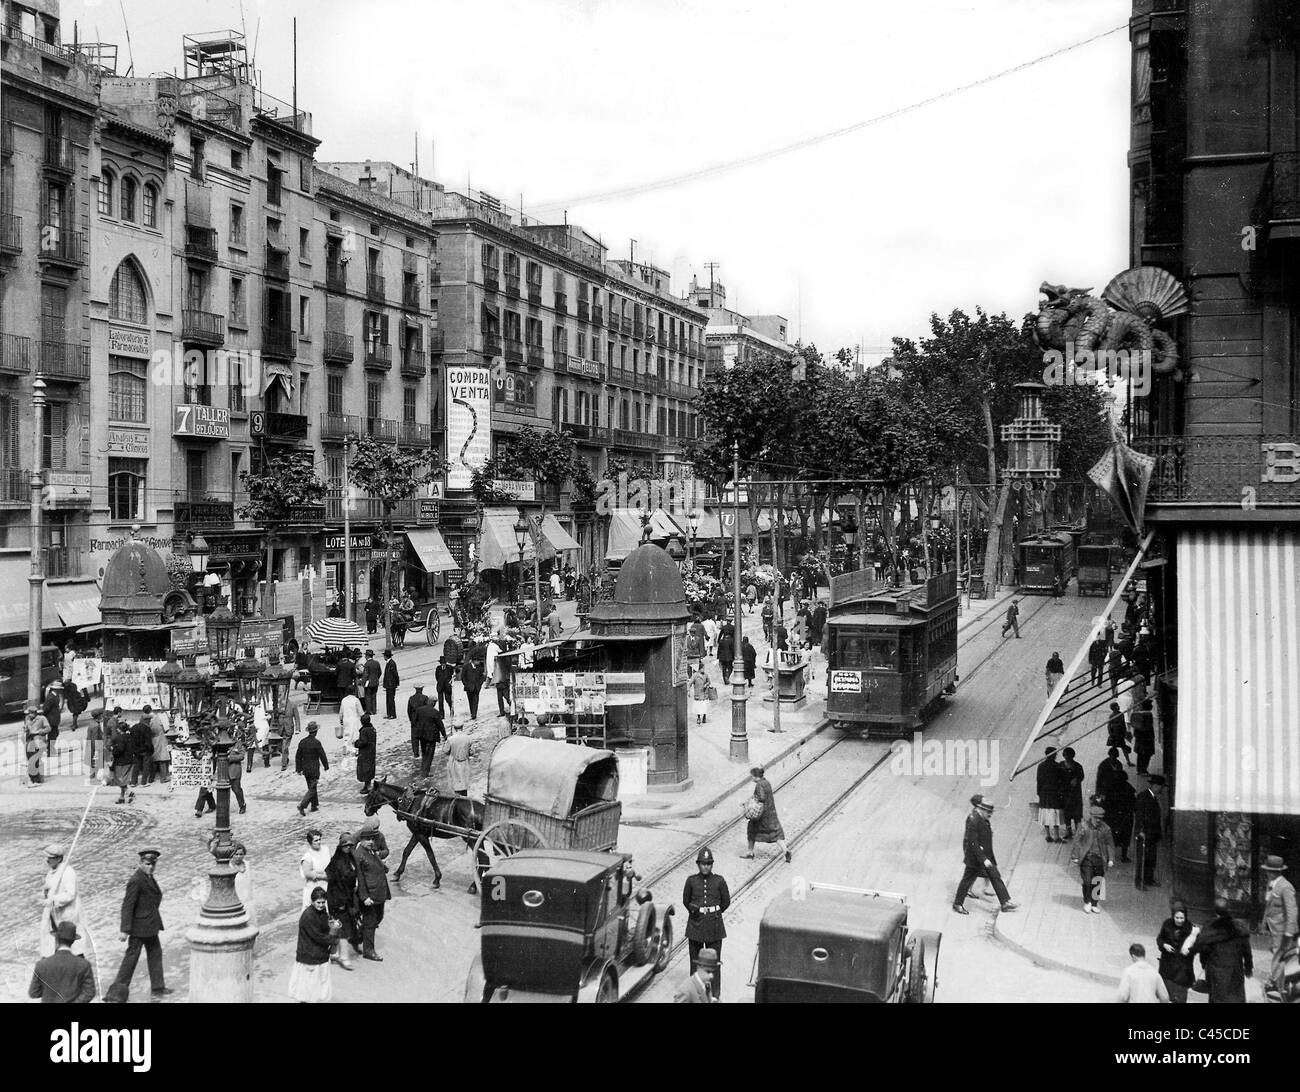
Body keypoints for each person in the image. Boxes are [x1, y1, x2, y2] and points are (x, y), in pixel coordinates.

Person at [109, 847, 169, 1000]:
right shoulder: (136, 880)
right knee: (131, 959)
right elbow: (127, 905)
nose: (151, 867)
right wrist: (124, 930)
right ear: (141, 863)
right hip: (139, 929)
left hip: (150, 926)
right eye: (148, 864)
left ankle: (158, 988)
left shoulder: (148, 878)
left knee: (155, 955)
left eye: (153, 864)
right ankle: (116, 994)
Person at [952, 794, 1018, 914]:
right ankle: (958, 904)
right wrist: (983, 859)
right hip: (976, 858)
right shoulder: (973, 819)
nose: (990, 814)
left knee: (995, 876)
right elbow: (973, 843)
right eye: (988, 811)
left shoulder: (982, 818)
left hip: (986, 856)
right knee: (967, 880)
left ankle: (1005, 902)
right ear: (980, 809)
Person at [682, 848, 729, 999]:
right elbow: (686, 901)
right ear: (698, 864)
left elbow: (726, 901)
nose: (706, 867)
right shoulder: (691, 881)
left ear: (712, 865)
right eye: (703, 864)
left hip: (714, 927)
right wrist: (696, 910)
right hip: (696, 926)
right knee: (695, 963)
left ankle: (714, 996)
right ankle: (695, 995)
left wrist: (713, 913)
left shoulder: (719, 881)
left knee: (713, 963)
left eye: (708, 864)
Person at [1190, 900, 1253, 1003]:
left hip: (1216, 972)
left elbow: (1203, 950)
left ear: (1216, 912)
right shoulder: (1239, 928)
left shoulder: (1210, 927)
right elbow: (1247, 951)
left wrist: (1204, 964)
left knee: (1218, 999)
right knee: (1235, 997)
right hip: (1235, 971)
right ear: (1229, 910)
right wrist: (1248, 968)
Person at [28, 921, 95, 1003]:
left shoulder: (41, 965)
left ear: (57, 939)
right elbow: (89, 992)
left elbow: (33, 993)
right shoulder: (83, 964)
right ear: (73, 941)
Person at [1261, 855, 1298, 999]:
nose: (1267, 873)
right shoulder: (1271, 884)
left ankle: (1278, 986)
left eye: (1268, 870)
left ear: (1273, 871)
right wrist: (1264, 924)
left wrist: (1289, 932)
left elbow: (1292, 911)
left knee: (1278, 956)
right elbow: (1268, 907)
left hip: (1283, 930)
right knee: (1278, 956)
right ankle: (1279, 983)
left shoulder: (1286, 887)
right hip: (1274, 927)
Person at [289, 887, 334, 1003]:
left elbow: (325, 924)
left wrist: (331, 923)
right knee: (308, 988)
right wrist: (333, 937)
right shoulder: (308, 916)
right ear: (312, 901)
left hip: (319, 954)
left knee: (317, 986)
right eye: (318, 902)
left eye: (323, 902)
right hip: (309, 955)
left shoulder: (323, 912)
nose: (321, 905)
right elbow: (318, 936)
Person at [1071, 800, 1115, 914]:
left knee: (1098, 881)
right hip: (1087, 858)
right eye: (1096, 818)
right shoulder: (1084, 826)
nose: (1098, 820)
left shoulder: (1106, 829)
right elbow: (1077, 841)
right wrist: (1075, 856)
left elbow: (1110, 844)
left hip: (1100, 859)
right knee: (1087, 881)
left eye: (1100, 818)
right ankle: (1087, 902)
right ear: (1091, 817)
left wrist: (1111, 859)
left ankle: (1094, 903)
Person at [40, 845, 83, 957]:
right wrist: (46, 892)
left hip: (67, 914)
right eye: (47, 857)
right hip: (54, 914)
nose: (47, 860)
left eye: (51, 857)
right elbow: (50, 891)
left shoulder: (68, 872)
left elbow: (70, 894)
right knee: (53, 943)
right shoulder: (51, 872)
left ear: (59, 859)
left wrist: (53, 900)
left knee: (70, 945)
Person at [742, 766, 791, 862]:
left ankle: (750, 852)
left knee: (751, 830)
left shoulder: (759, 785)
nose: (751, 779)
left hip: (761, 815)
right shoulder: (766, 782)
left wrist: (750, 803)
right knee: (776, 833)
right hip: (771, 814)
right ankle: (786, 850)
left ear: (756, 776)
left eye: (752, 777)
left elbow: (761, 798)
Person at [355, 831, 391, 960]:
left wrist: (384, 867)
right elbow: (360, 878)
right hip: (369, 895)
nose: (371, 842)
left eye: (372, 839)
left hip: (379, 892)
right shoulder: (359, 855)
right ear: (361, 840)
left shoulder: (371, 851)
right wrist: (365, 897)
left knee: (379, 917)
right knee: (370, 921)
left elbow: (378, 865)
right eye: (368, 839)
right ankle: (368, 951)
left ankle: (358, 936)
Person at [326, 833, 360, 968]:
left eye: (350, 845)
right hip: (339, 900)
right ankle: (344, 957)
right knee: (342, 929)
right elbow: (333, 884)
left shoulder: (350, 858)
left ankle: (335, 953)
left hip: (348, 898)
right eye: (346, 846)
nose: (348, 848)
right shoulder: (336, 862)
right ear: (341, 847)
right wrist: (339, 902)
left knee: (342, 928)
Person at [1156, 901, 1198, 1003]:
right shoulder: (1167, 924)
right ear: (1173, 916)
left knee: (1180, 997)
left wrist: (1189, 951)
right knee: (1166, 996)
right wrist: (1164, 945)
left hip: (1182, 970)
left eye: (1182, 918)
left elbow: (1198, 946)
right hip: (1167, 966)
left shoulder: (1191, 929)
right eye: (1177, 918)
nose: (1179, 920)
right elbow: (1160, 938)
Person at [1134, 774, 1165, 887]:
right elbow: (1139, 816)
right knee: (1142, 859)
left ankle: (1149, 879)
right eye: (1161, 787)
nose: (1161, 789)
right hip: (1145, 834)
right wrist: (1140, 831)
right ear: (1156, 786)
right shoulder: (1143, 797)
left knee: (1151, 858)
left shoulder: (1152, 797)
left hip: (1152, 834)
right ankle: (1140, 882)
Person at [294, 721, 330, 817]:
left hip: (305, 768)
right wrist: (326, 766)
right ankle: (303, 805)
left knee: (311, 787)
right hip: (314, 768)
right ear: (316, 732)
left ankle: (314, 805)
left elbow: (298, 756)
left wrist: (298, 768)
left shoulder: (302, 742)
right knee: (312, 788)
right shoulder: (317, 743)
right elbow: (322, 755)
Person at [1035, 746, 1064, 843]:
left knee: (1045, 813)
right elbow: (1061, 781)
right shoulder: (1057, 766)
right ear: (1054, 755)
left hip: (1044, 793)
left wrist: (1039, 792)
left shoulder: (1041, 766)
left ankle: (1048, 835)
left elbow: (1038, 780)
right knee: (1055, 813)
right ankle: (1056, 836)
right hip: (1054, 793)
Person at [1107, 768, 1136, 864]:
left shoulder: (1110, 787)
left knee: (1112, 836)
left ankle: (1110, 856)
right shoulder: (1129, 788)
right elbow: (1133, 803)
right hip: (1126, 817)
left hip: (1113, 816)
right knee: (1126, 836)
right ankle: (1124, 856)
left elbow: (1107, 803)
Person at [413, 701, 446, 777]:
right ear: (434, 703)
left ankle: (423, 770)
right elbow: (440, 725)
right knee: (429, 755)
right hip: (431, 737)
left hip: (421, 736)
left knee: (424, 753)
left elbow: (414, 721)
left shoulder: (419, 710)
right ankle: (425, 772)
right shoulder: (435, 712)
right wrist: (444, 735)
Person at [300, 829, 331, 908]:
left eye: (320, 839)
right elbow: (307, 874)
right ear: (310, 842)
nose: (319, 842)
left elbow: (331, 863)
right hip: (314, 886)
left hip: (327, 884)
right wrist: (324, 876)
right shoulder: (308, 856)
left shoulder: (325, 849)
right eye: (316, 840)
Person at [1058, 747, 1085, 838]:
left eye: (1069, 755)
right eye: (1065, 755)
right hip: (1064, 794)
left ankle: (1078, 832)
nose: (1067, 757)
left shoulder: (1078, 766)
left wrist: (1077, 779)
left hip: (1075, 794)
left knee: (1077, 814)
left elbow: (1081, 776)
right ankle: (1068, 831)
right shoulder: (1060, 765)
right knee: (1066, 814)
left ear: (1072, 756)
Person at [107, 713, 134, 804]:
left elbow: (120, 750)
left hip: (121, 762)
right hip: (130, 760)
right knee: (123, 780)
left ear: (119, 729)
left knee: (119, 780)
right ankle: (122, 797)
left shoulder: (120, 738)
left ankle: (129, 792)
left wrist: (113, 749)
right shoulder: (129, 737)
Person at [23, 704, 49, 786]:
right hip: (29, 740)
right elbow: (26, 728)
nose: (29, 715)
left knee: (35, 760)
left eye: (31, 713)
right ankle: (33, 779)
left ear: (35, 713)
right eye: (28, 713)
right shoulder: (27, 719)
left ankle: (36, 779)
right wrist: (25, 728)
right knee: (30, 759)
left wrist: (42, 731)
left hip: (38, 740)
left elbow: (48, 728)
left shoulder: (42, 718)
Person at [446, 720, 474, 796]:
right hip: (465, 763)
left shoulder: (450, 739)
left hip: (454, 763)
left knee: (456, 783)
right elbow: (472, 752)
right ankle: (464, 797)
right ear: (462, 727)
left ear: (454, 728)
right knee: (464, 782)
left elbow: (446, 751)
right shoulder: (468, 738)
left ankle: (457, 798)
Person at [129, 707, 154, 786]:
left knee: (136, 766)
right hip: (145, 750)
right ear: (146, 720)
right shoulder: (147, 728)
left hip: (136, 751)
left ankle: (133, 782)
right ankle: (143, 782)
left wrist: (133, 749)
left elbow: (131, 740)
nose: (149, 721)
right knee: (145, 766)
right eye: (149, 720)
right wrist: (150, 749)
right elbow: (148, 741)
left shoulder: (134, 727)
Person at [487, 634, 511, 717]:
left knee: (505, 696)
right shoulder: (496, 653)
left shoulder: (502, 658)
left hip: (502, 680)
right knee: (501, 697)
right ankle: (502, 711)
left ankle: (510, 708)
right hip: (499, 679)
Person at [1131, 698, 1156, 775]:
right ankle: (1144, 770)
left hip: (1139, 738)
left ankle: (1139, 770)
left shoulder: (1137, 714)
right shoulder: (1148, 715)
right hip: (1147, 739)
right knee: (1147, 755)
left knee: (1140, 755)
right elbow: (1149, 727)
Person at [341, 688, 364, 766]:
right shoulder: (356, 700)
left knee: (346, 736)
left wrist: (341, 720)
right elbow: (360, 712)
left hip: (346, 720)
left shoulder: (343, 700)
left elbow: (341, 712)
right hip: (354, 720)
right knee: (355, 736)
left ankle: (345, 751)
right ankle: (355, 751)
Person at [355, 713, 377, 795]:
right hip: (371, 751)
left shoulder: (364, 731)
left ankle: (367, 786)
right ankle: (368, 784)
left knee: (365, 768)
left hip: (365, 752)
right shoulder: (372, 729)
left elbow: (363, 742)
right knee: (370, 767)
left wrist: (357, 743)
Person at [406, 685, 429, 756]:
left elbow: (408, 710)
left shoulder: (411, 698)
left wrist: (411, 719)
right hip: (423, 719)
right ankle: (423, 750)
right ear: (422, 689)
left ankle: (415, 752)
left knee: (415, 737)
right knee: (423, 736)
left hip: (414, 720)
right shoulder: (425, 698)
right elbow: (427, 709)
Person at [461, 655, 485, 721]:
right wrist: (466, 684)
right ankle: (472, 712)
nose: (478, 662)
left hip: (476, 687)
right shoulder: (466, 667)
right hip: (469, 687)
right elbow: (463, 677)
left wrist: (480, 684)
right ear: (473, 661)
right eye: (477, 661)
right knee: (470, 700)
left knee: (475, 700)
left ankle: (474, 714)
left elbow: (482, 676)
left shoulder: (479, 667)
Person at [150, 708, 171, 784]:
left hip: (154, 740)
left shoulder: (149, 720)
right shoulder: (158, 719)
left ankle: (151, 779)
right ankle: (164, 778)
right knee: (163, 759)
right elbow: (165, 728)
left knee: (155, 760)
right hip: (161, 739)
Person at [227, 735, 246, 814]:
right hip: (224, 771)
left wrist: (230, 758)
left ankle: (242, 805)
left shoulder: (238, 744)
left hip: (235, 771)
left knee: (236, 789)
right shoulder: (221, 742)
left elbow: (242, 756)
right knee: (223, 791)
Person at [83, 709, 103, 785]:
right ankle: (93, 777)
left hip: (90, 744)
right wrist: (97, 749)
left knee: (93, 761)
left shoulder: (92, 723)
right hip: (94, 746)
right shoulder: (96, 725)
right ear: (98, 716)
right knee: (96, 761)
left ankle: (92, 775)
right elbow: (95, 738)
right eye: (101, 715)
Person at [361, 649, 381, 716]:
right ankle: (374, 710)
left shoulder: (367, 664)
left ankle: (369, 710)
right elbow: (379, 672)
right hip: (375, 682)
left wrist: (363, 683)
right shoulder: (377, 663)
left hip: (368, 683)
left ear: (367, 656)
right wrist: (376, 678)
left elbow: (365, 674)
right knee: (374, 696)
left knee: (368, 696)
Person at [382, 649, 400, 721]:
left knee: (391, 700)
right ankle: (389, 713)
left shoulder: (392, 663)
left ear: (386, 656)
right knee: (388, 700)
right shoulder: (389, 663)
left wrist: (396, 683)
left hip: (391, 685)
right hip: (389, 684)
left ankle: (392, 714)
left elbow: (395, 674)